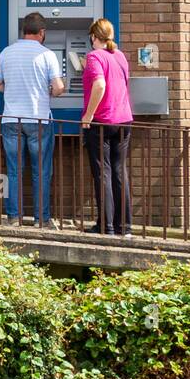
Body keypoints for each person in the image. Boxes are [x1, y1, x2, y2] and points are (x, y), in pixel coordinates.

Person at [0, 11, 65, 226]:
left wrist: (12, 90)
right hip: (38, 119)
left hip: (11, 120)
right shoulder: (47, 54)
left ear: (24, 31)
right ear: (42, 32)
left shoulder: (7, 52)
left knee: (14, 171)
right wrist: (49, 91)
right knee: (41, 172)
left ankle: (14, 218)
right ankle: (42, 219)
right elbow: (58, 88)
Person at [79, 18, 133, 235]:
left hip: (102, 121)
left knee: (103, 173)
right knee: (120, 172)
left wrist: (88, 115)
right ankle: (125, 227)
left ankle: (106, 227)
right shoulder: (119, 56)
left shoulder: (94, 56)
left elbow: (100, 84)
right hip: (124, 120)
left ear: (93, 37)